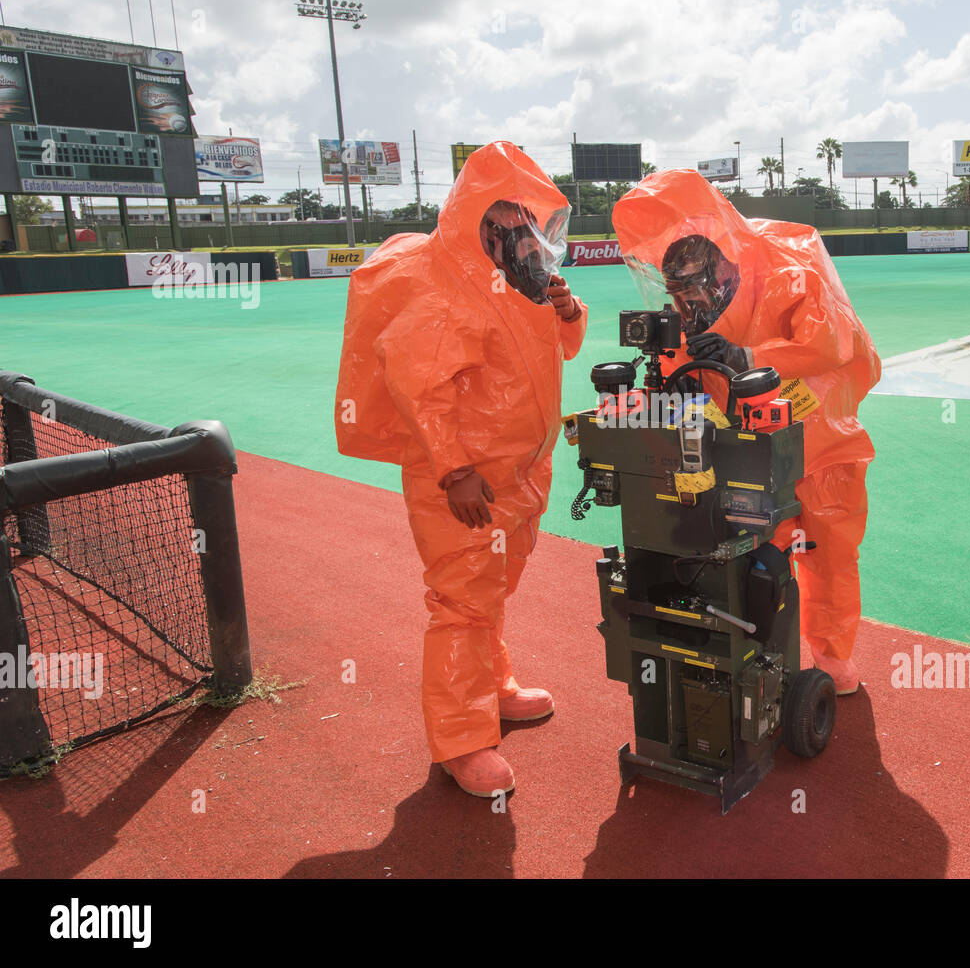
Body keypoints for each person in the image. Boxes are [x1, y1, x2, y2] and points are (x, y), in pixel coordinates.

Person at [335, 142, 587, 797]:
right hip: (466, 488)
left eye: (526, 219)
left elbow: (554, 351)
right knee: (462, 608)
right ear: (479, 219)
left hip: (520, 479)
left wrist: (568, 313)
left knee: (488, 600)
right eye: (507, 219)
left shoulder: (515, 282)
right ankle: (461, 740)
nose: (524, 234)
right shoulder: (445, 287)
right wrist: (453, 472)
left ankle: (493, 687)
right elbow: (420, 384)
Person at [612, 169, 880, 695]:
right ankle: (761, 660)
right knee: (759, 557)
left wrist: (749, 356)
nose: (684, 302)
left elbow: (833, 342)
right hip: (750, 451)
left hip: (823, 442)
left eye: (690, 288)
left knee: (830, 553)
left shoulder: (790, 263)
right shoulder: (692, 310)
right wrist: (640, 401)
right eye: (676, 291)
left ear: (716, 269)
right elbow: (675, 370)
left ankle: (829, 657)